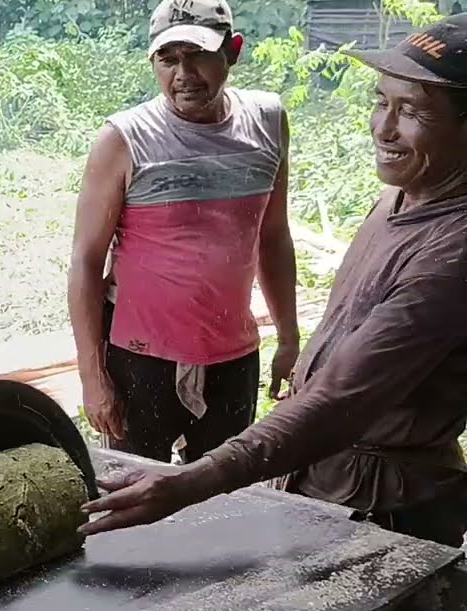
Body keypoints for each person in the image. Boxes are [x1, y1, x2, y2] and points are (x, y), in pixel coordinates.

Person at [81, 14, 467, 548]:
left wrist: (190, 482)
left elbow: (339, 400)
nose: (383, 127)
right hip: (319, 479)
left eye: (412, 111)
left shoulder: (454, 251)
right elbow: (87, 260)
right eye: (381, 102)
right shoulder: (403, 196)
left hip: (386, 509)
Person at [68, 0, 300, 464]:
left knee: (220, 496)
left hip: (232, 354)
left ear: (232, 52)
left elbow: (272, 236)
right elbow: (86, 262)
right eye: (168, 59)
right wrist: (94, 379)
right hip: (140, 357)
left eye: (198, 55)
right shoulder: (125, 138)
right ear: (153, 61)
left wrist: (289, 338)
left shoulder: (268, 122)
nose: (184, 74)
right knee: (133, 495)